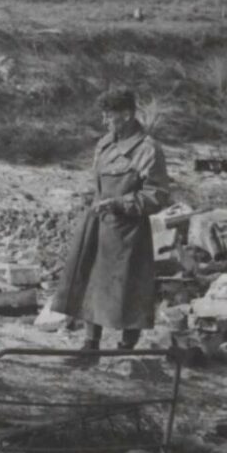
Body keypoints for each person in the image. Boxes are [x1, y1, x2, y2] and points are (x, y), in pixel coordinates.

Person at [46, 88, 172, 366]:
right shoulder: (104, 144)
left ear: (126, 115)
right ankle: (90, 347)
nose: (104, 121)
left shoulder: (147, 149)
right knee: (90, 282)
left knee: (127, 290)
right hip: (97, 225)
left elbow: (158, 195)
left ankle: (126, 351)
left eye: (109, 115)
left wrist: (120, 203)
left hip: (128, 232)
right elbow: (99, 184)